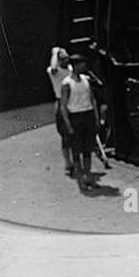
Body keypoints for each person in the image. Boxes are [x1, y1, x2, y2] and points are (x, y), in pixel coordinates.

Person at [59, 55, 99, 191]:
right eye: (82, 64)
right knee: (76, 151)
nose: (84, 66)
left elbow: (92, 100)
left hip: (88, 116)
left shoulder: (86, 80)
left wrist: (96, 117)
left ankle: (88, 176)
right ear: (75, 65)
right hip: (75, 117)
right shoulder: (66, 83)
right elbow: (63, 106)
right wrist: (68, 125)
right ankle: (80, 180)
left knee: (88, 150)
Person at [46, 46, 75, 177]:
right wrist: (55, 52)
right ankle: (68, 163)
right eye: (62, 59)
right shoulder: (54, 72)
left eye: (67, 58)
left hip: (74, 102)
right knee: (65, 135)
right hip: (61, 102)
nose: (66, 60)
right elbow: (53, 67)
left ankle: (76, 162)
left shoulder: (70, 69)